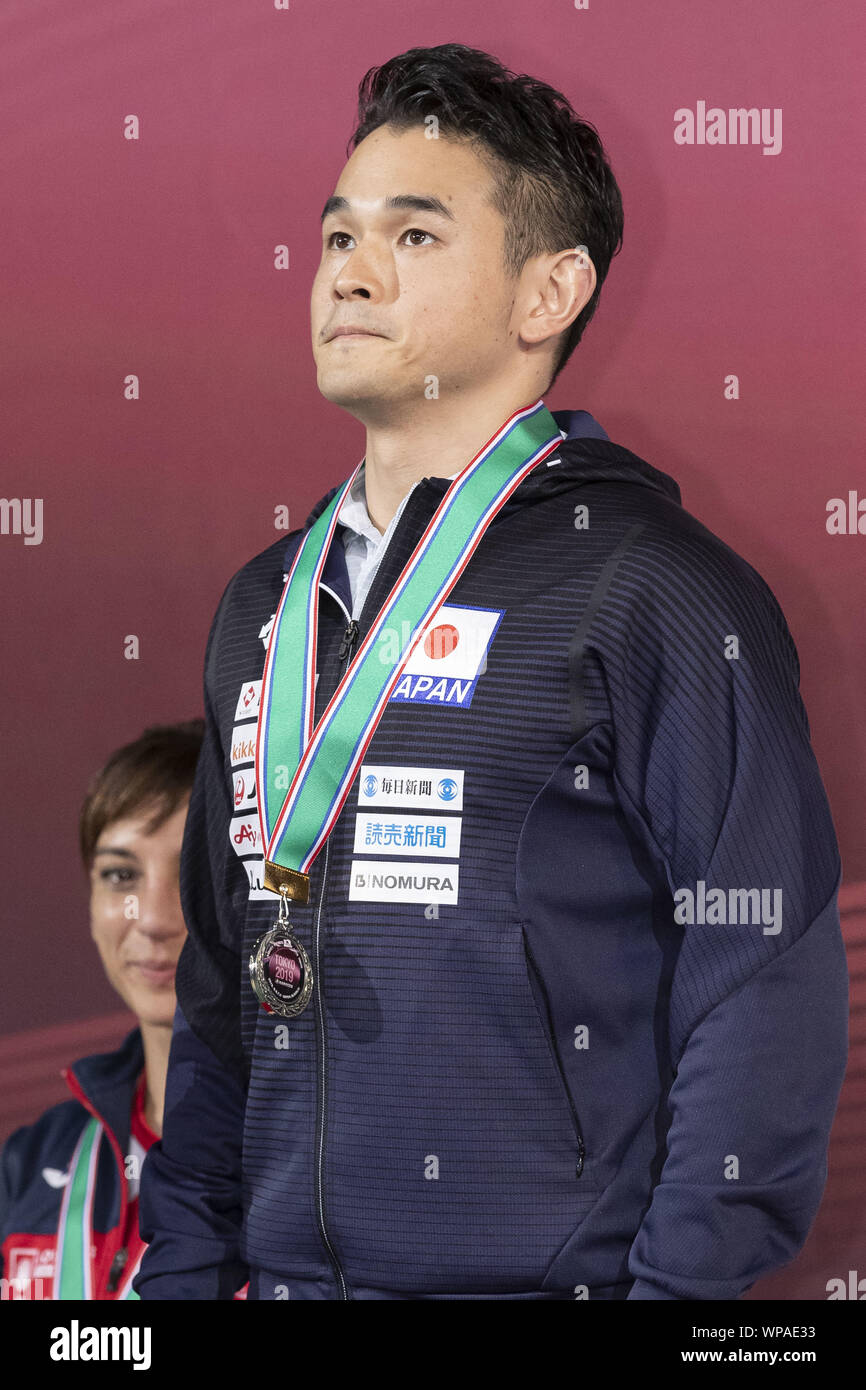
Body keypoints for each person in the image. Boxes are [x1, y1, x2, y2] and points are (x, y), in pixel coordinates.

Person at [136, 43, 849, 1301]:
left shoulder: (654, 587)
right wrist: (181, 1279)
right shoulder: (264, 603)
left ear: (548, 291)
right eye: (335, 236)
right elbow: (217, 987)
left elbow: (763, 989)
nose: (347, 274)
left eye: (413, 239)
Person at [0, 721, 203, 1299]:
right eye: (121, 876)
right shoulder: (35, 1157)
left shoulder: (313, 1162)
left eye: (194, 875)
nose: (154, 920)